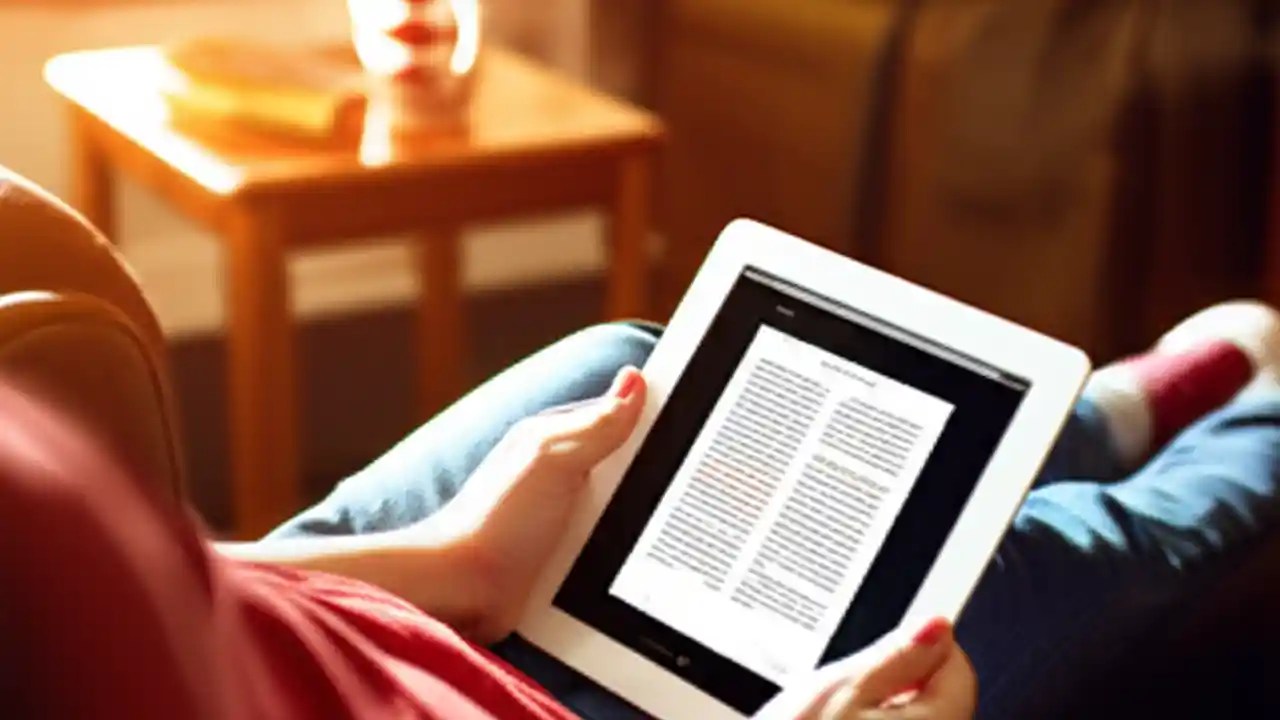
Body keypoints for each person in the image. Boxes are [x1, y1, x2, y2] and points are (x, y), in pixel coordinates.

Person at [3, 302, 1278, 719]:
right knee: (973, 569)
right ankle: (1232, 441)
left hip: (310, 597)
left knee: (630, 366)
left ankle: (1091, 418)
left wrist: (449, 564)